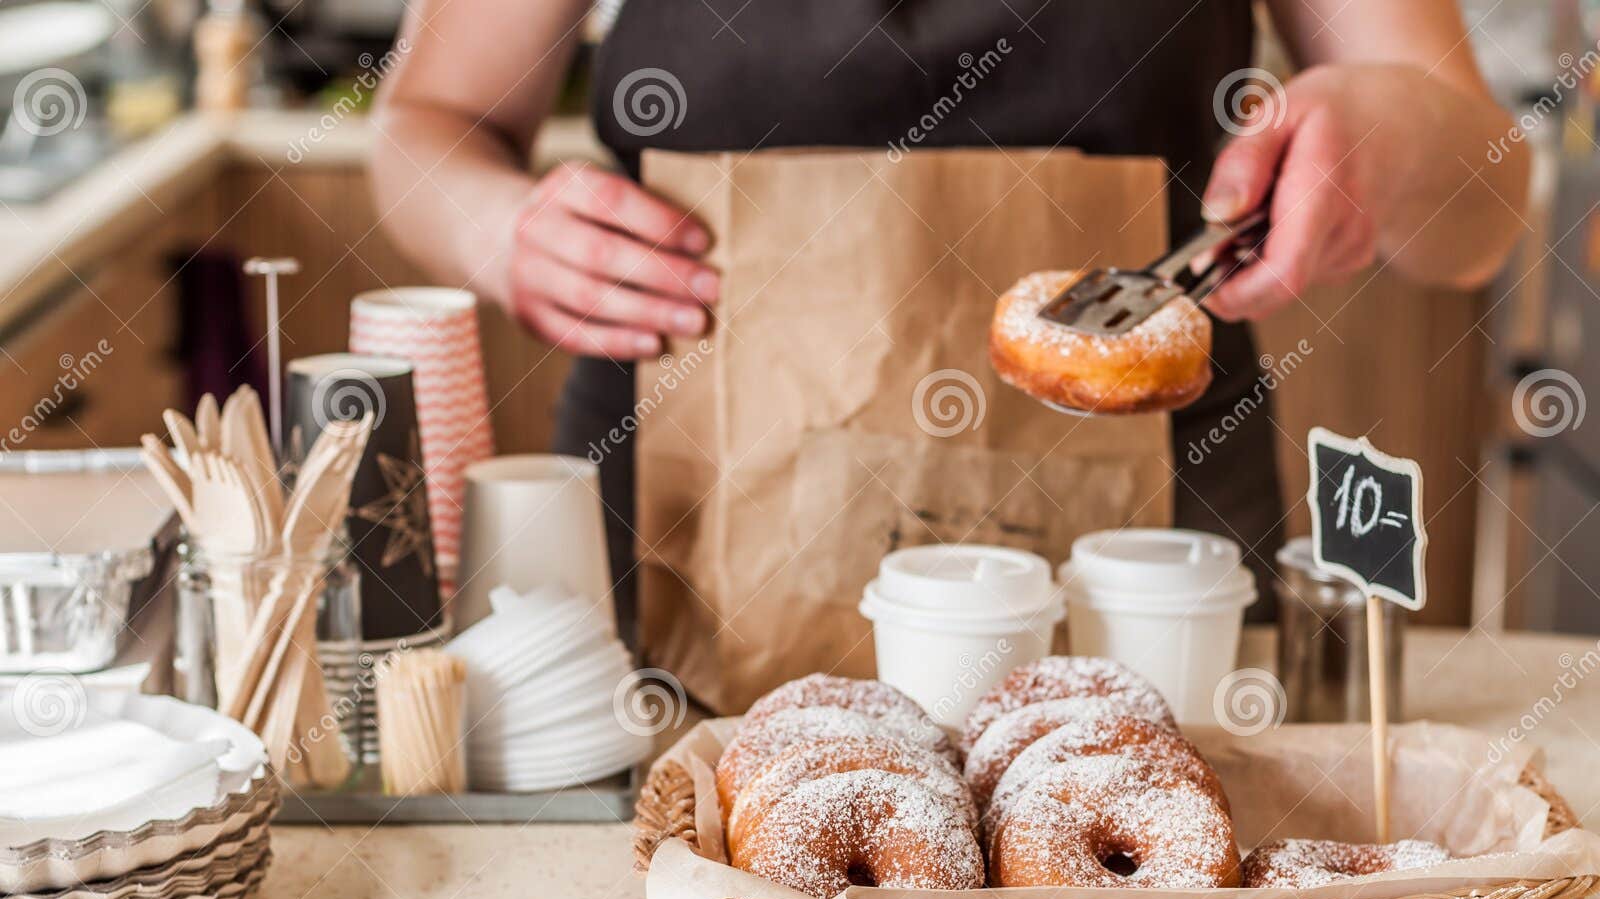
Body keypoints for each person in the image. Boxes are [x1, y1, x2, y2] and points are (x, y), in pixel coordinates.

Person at [372, 0, 1528, 625]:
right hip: (681, 525)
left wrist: (1398, 131)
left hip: (1151, 553)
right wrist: (499, 229)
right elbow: (426, 123)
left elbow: (1485, 210)